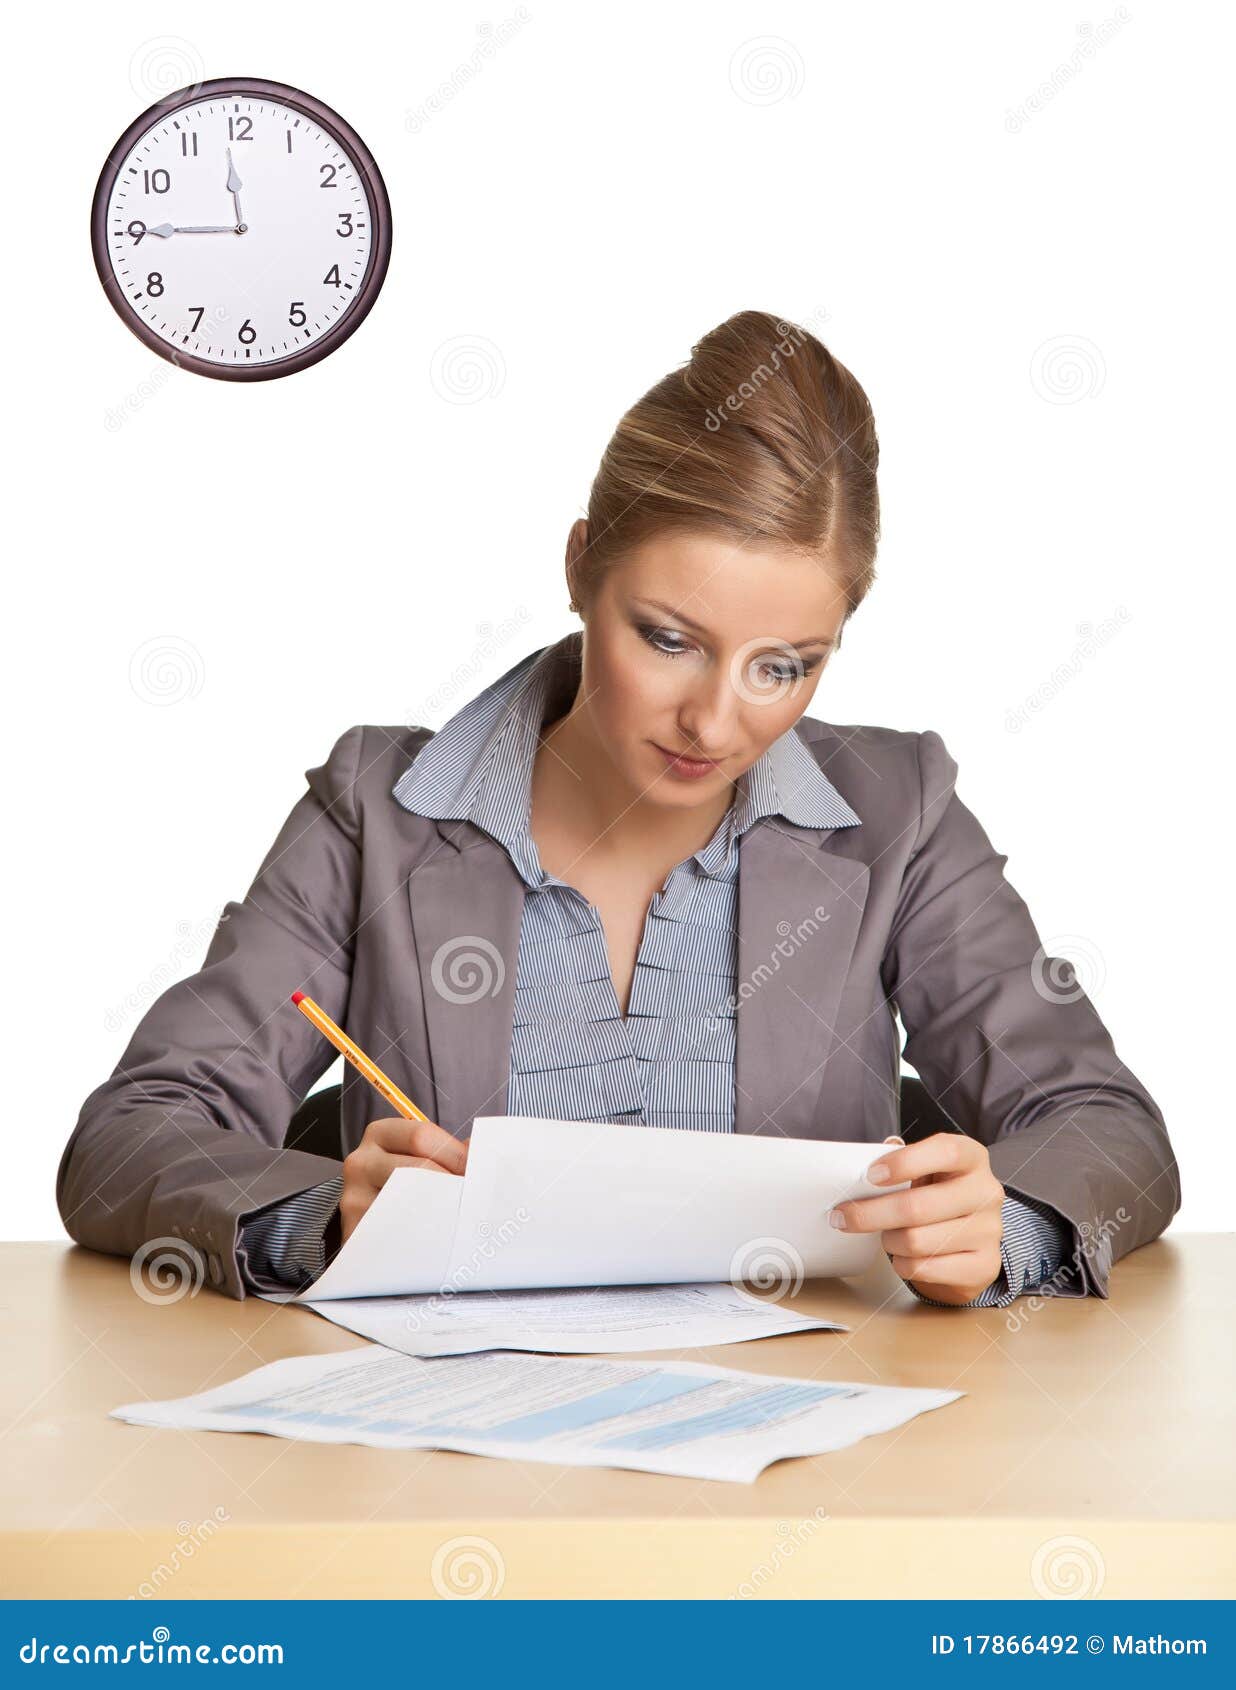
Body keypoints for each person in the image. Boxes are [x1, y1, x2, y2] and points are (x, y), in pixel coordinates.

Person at [57, 309, 1179, 1308]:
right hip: (443, 1459)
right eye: (669, 639)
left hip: (822, 1458)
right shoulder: (378, 813)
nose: (716, 722)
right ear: (582, 566)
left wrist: (1006, 1230)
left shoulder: (901, 815)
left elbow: (1107, 1126)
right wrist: (326, 1220)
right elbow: (125, 1140)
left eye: (783, 665)